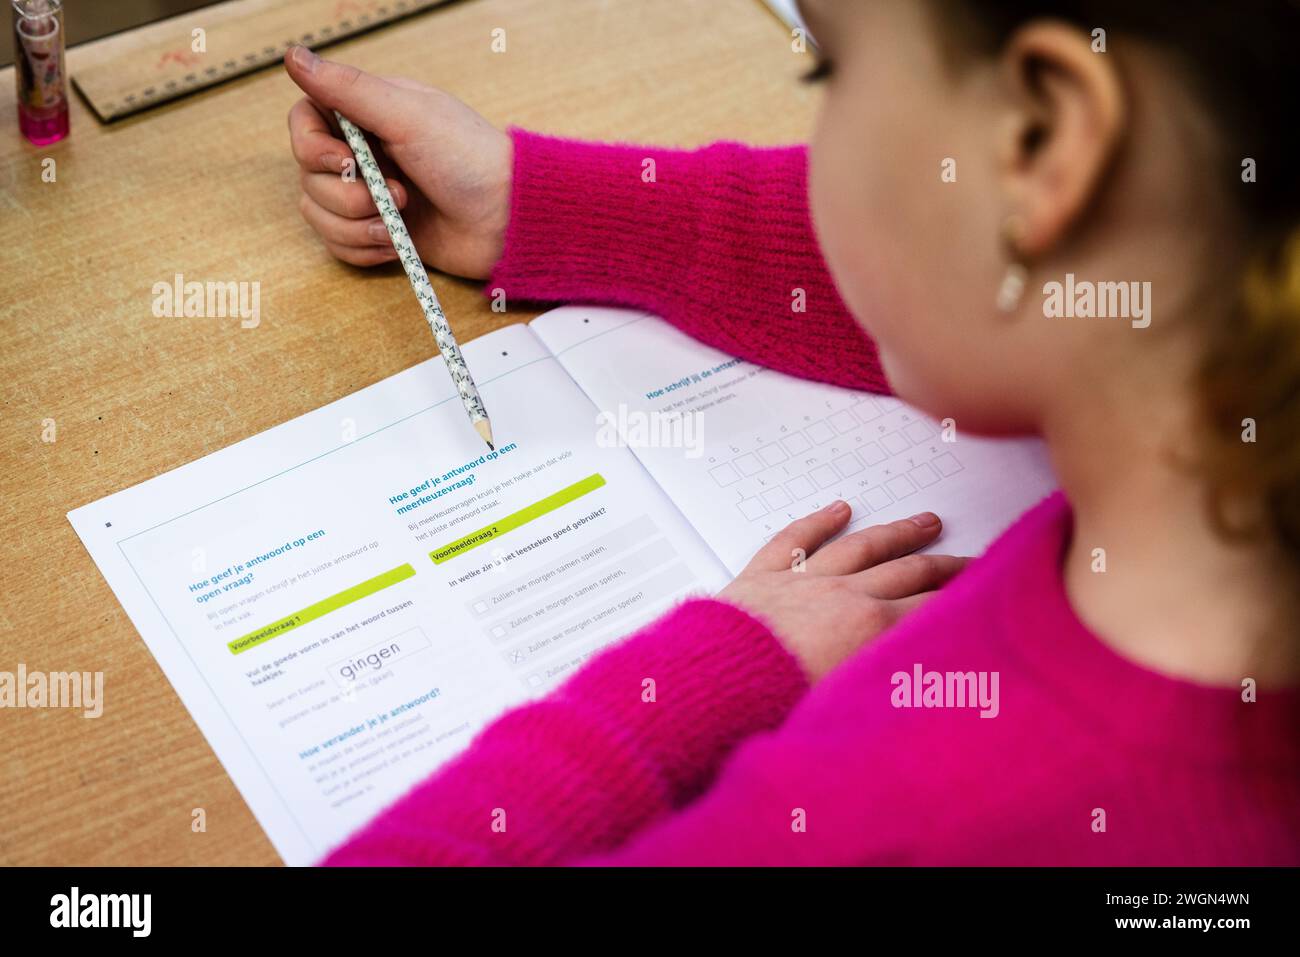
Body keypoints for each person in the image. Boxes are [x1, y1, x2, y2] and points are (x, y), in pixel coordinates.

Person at [282, 0, 1300, 865]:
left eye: (831, 71)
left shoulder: (865, 817)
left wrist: (707, 680)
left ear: (1039, 141)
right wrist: (535, 205)